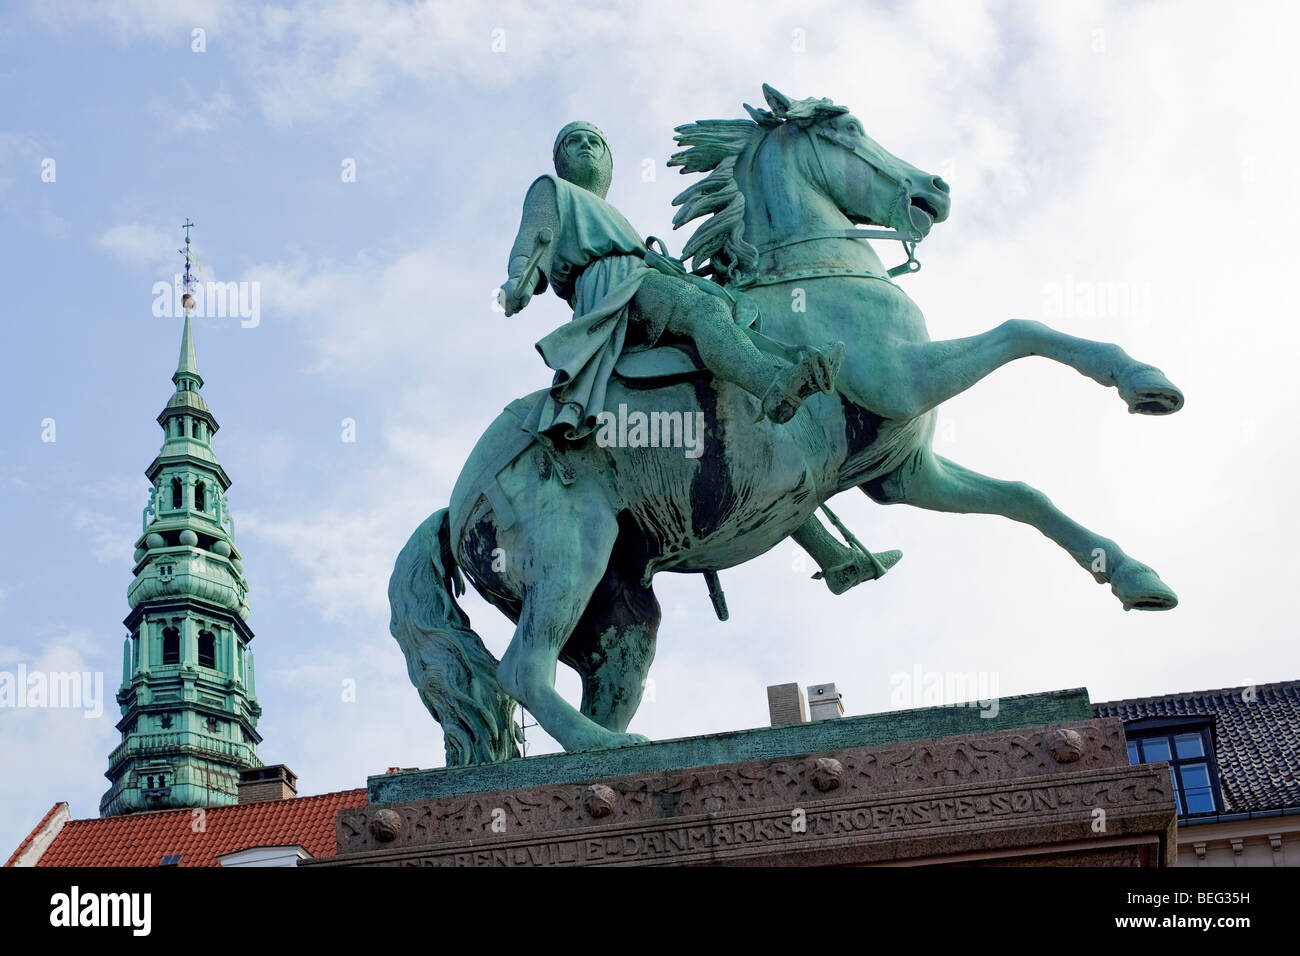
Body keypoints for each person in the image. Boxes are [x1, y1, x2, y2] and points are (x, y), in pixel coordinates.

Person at [501, 121, 843, 442]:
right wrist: (518, 281)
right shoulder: (552, 189)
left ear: (607, 163)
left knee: (729, 302)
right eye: (573, 142)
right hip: (614, 286)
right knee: (702, 308)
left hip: (642, 275)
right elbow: (529, 244)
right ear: (561, 158)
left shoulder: (614, 215)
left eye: (595, 142)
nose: (586, 147)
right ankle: (773, 385)